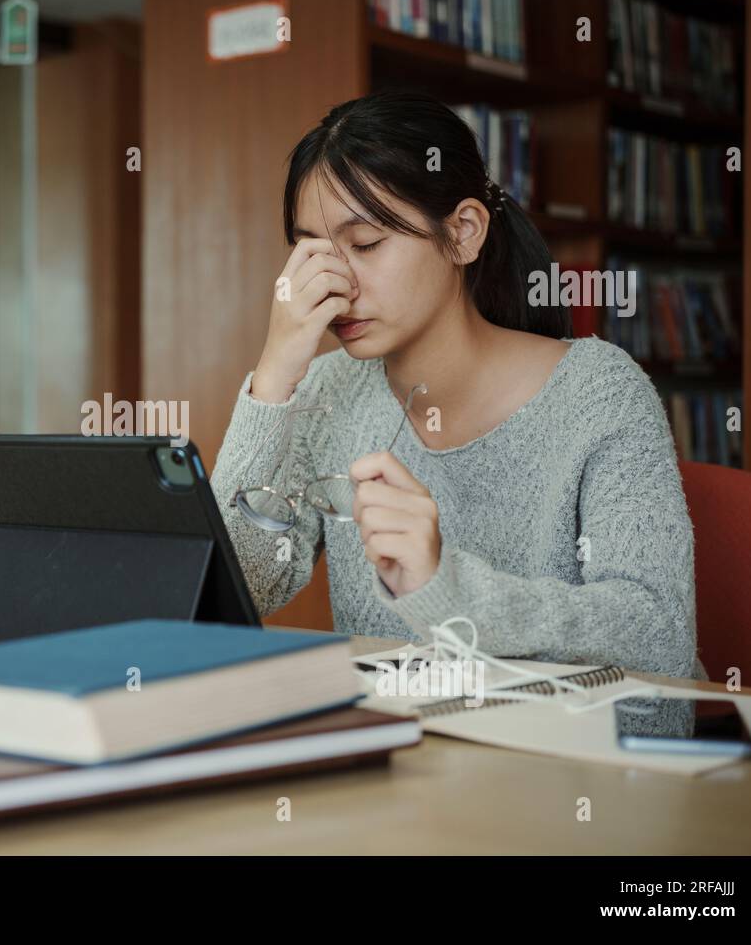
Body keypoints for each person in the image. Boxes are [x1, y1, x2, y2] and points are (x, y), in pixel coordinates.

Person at [211, 92, 700, 680]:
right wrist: (274, 375)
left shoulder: (598, 391)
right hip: (413, 753)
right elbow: (232, 589)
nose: (334, 282)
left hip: (568, 753)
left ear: (464, 232)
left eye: (365, 245)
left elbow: (659, 635)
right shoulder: (328, 390)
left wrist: (448, 589)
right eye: (312, 251)